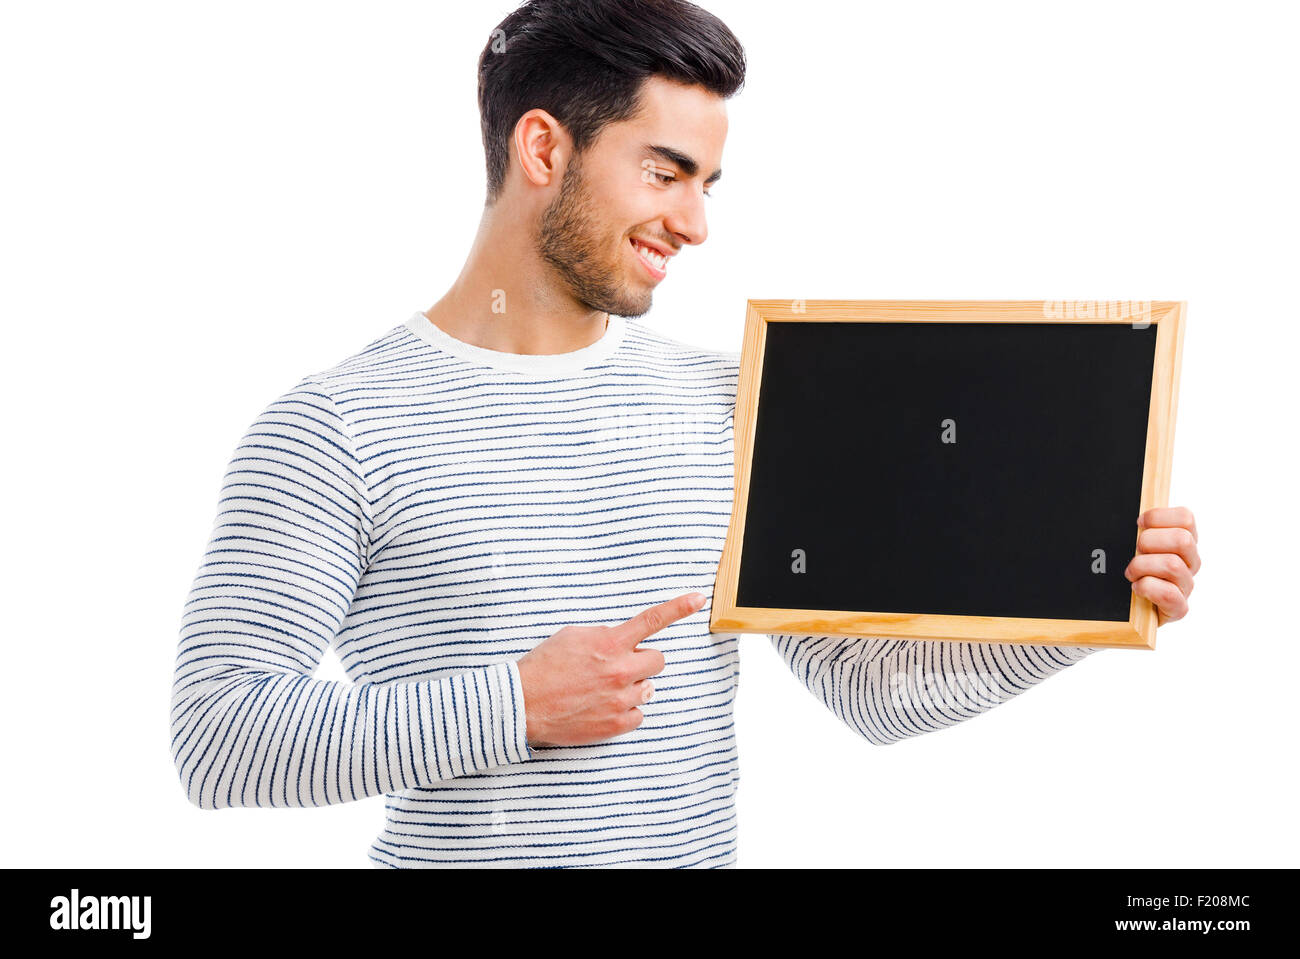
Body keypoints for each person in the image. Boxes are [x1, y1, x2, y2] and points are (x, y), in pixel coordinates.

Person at [169, 0, 1201, 868]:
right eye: (664, 173)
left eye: (706, 184)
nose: (696, 223)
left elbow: (870, 692)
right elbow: (216, 739)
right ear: (543, 147)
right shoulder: (334, 428)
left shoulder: (733, 401)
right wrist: (515, 701)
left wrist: (1087, 598)